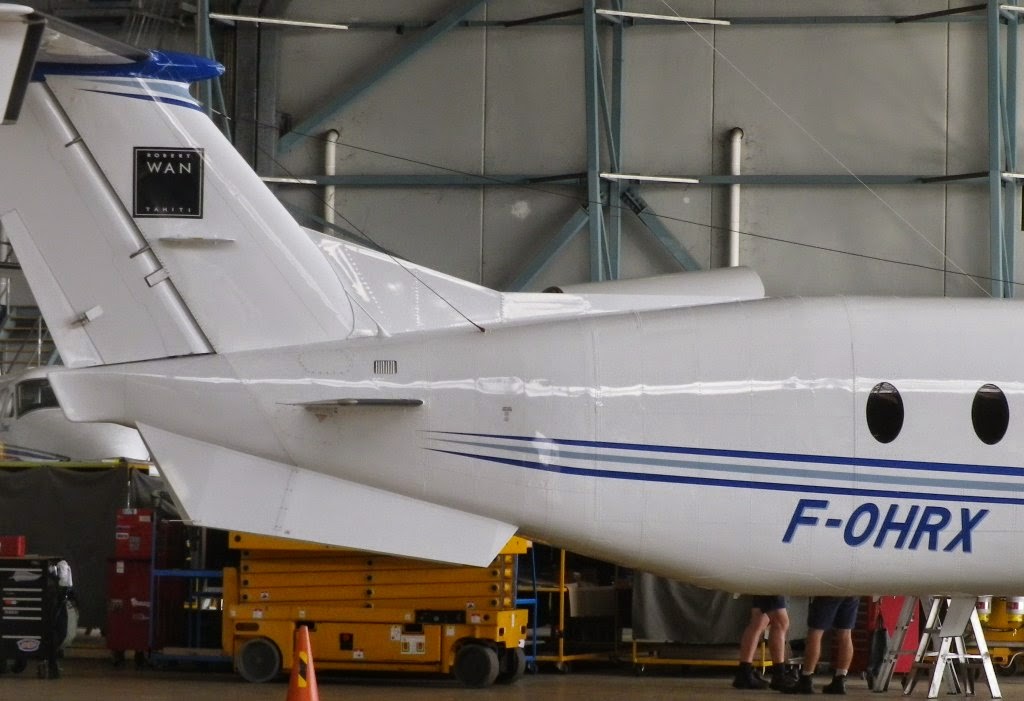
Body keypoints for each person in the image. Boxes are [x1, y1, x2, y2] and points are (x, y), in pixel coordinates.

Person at [784, 596, 860, 695]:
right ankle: (840, 679)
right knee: (845, 634)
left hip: (830, 589)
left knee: (815, 632)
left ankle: (806, 679)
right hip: (852, 590)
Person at [733, 595, 793, 690]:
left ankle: (744, 672)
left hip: (761, 582)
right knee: (780, 622)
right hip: (771, 583)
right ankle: (779, 674)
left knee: (759, 621)